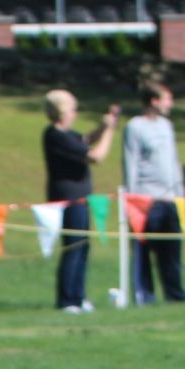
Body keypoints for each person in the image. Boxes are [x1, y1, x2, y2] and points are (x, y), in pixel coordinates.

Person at [42, 89, 118, 314]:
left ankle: (78, 295)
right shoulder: (55, 135)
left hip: (81, 198)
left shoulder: (66, 135)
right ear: (63, 111)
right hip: (68, 198)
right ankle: (67, 300)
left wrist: (103, 126)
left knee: (83, 247)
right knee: (73, 247)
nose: (75, 114)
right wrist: (110, 131)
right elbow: (95, 156)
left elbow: (85, 140)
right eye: (73, 110)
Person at [122, 83, 184, 306]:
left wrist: (180, 193)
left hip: (170, 199)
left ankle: (174, 294)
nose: (170, 104)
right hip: (145, 199)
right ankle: (145, 296)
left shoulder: (167, 126)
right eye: (167, 99)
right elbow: (131, 162)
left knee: (172, 250)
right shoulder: (135, 127)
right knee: (144, 250)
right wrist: (131, 199)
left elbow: (173, 161)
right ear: (154, 101)